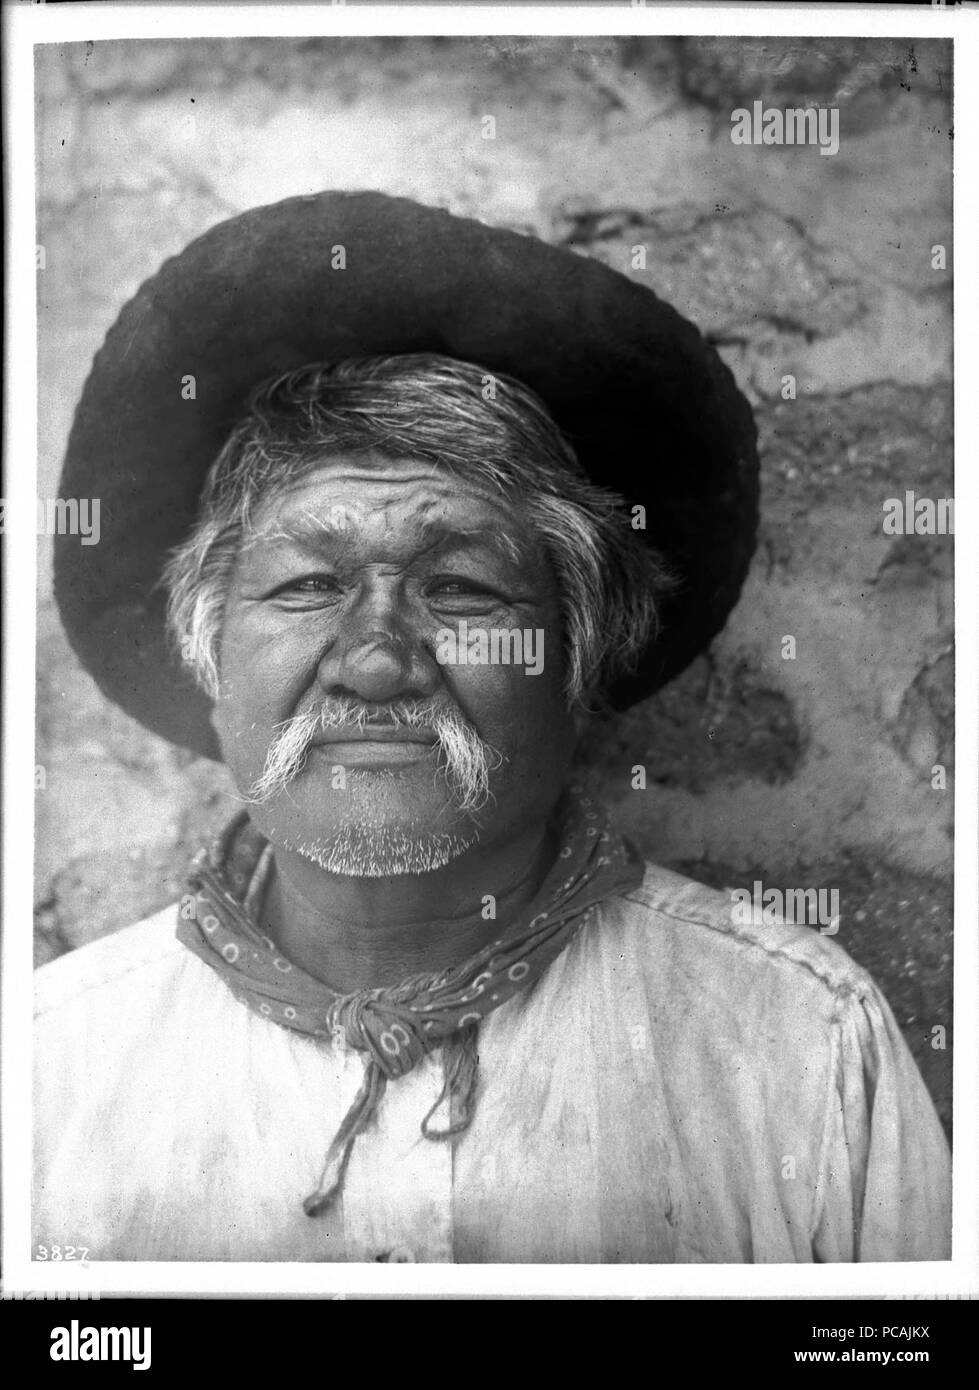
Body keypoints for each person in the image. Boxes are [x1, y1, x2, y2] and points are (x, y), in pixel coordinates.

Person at [35, 191, 951, 1263]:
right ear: (210, 651)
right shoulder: (54, 1068)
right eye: (306, 584)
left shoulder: (799, 1047)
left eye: (463, 590)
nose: (377, 660)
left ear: (580, 649)